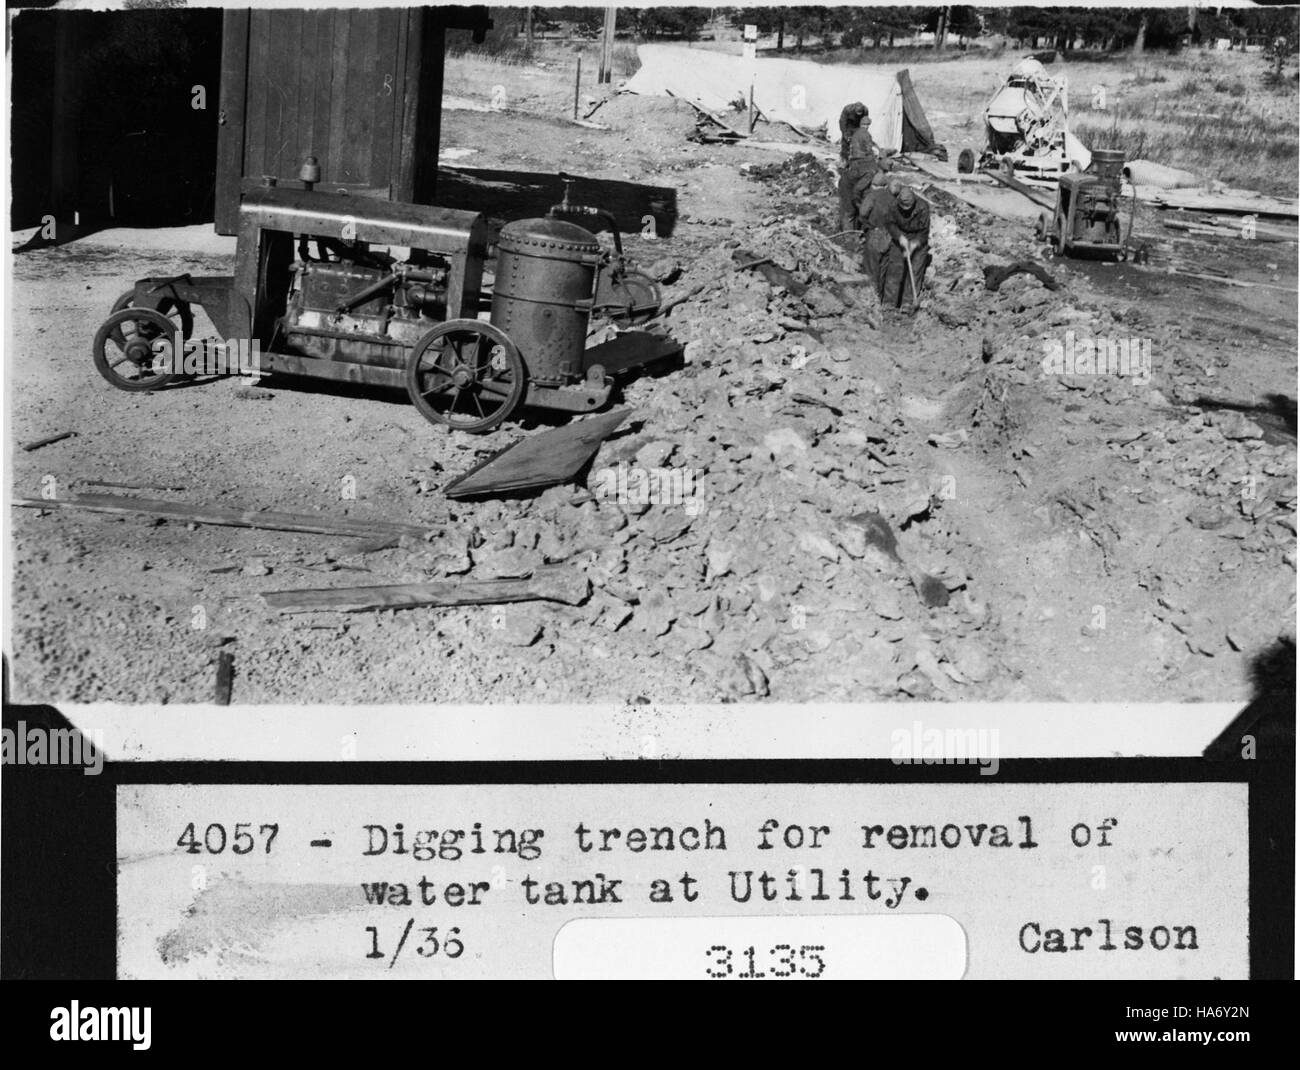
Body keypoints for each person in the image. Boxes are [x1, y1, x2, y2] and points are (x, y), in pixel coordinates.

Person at [882, 184, 931, 311]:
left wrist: (914, 244)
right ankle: (889, 303)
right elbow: (890, 224)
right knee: (894, 270)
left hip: (917, 239)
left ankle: (908, 303)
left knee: (914, 271)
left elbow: (924, 231)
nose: (906, 210)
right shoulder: (893, 206)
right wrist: (899, 237)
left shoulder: (923, 207)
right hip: (900, 238)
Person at [853, 171, 894, 298]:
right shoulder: (892, 198)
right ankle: (880, 297)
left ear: (873, 185)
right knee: (883, 269)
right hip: (890, 236)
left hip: (875, 234)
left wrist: (866, 225)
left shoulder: (872, 196)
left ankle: (871, 299)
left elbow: (863, 213)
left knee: (871, 268)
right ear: (885, 186)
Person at [837, 120, 879, 235]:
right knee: (849, 211)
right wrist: (858, 203)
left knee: (854, 211)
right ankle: (847, 237)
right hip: (847, 185)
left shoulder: (866, 164)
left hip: (850, 179)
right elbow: (857, 190)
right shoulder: (872, 170)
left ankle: (853, 232)